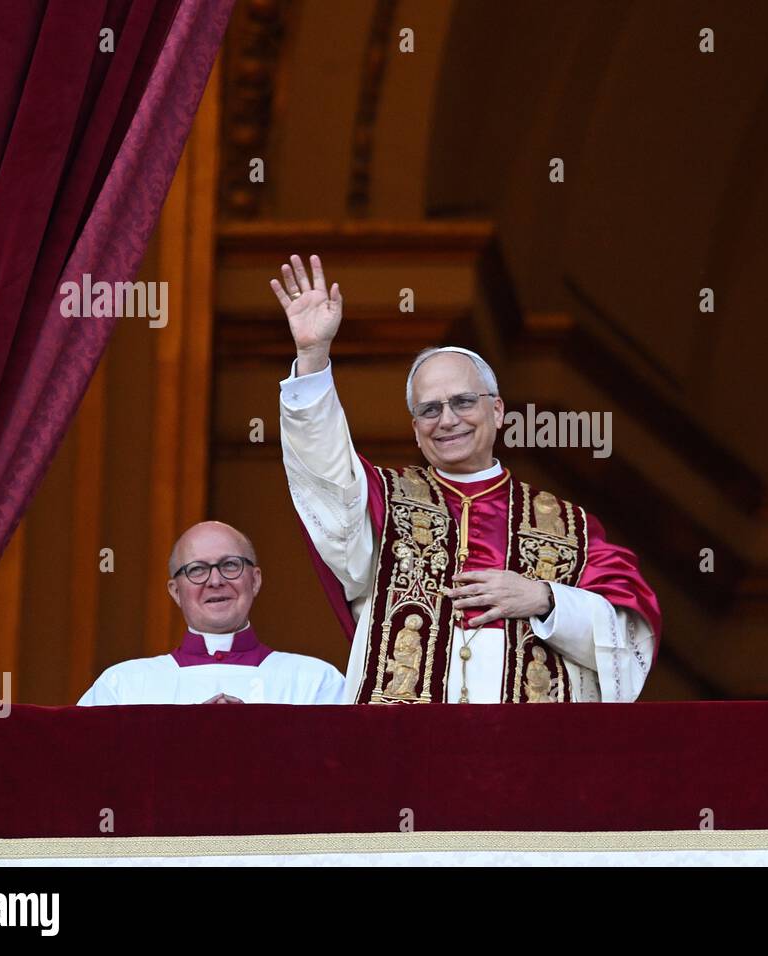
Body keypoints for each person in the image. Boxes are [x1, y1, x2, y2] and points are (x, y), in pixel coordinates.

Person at [271, 254, 660, 703]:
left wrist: (546, 598)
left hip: (524, 756)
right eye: (429, 410)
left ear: (497, 410)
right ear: (416, 430)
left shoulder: (570, 526)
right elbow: (324, 471)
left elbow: (631, 635)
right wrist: (313, 356)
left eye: (462, 402)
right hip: (405, 749)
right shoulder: (383, 502)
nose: (448, 420)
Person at [78, 521, 345, 705]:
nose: (215, 580)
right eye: (197, 569)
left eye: (230, 565)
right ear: (175, 591)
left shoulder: (315, 682)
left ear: (255, 580)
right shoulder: (123, 685)